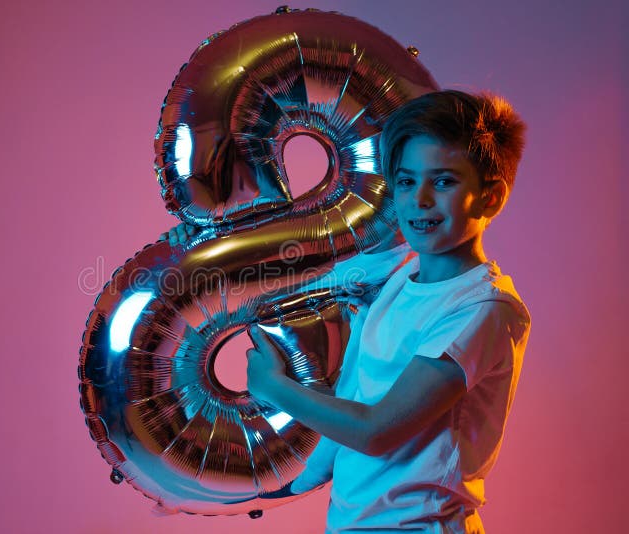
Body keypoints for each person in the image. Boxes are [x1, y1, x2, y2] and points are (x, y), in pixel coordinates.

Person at [163, 89, 530, 533]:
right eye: (408, 180)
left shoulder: (482, 308)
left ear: (490, 198)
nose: (420, 199)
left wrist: (272, 387)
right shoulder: (399, 278)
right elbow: (350, 397)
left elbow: (376, 431)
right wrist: (210, 246)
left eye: (445, 181)